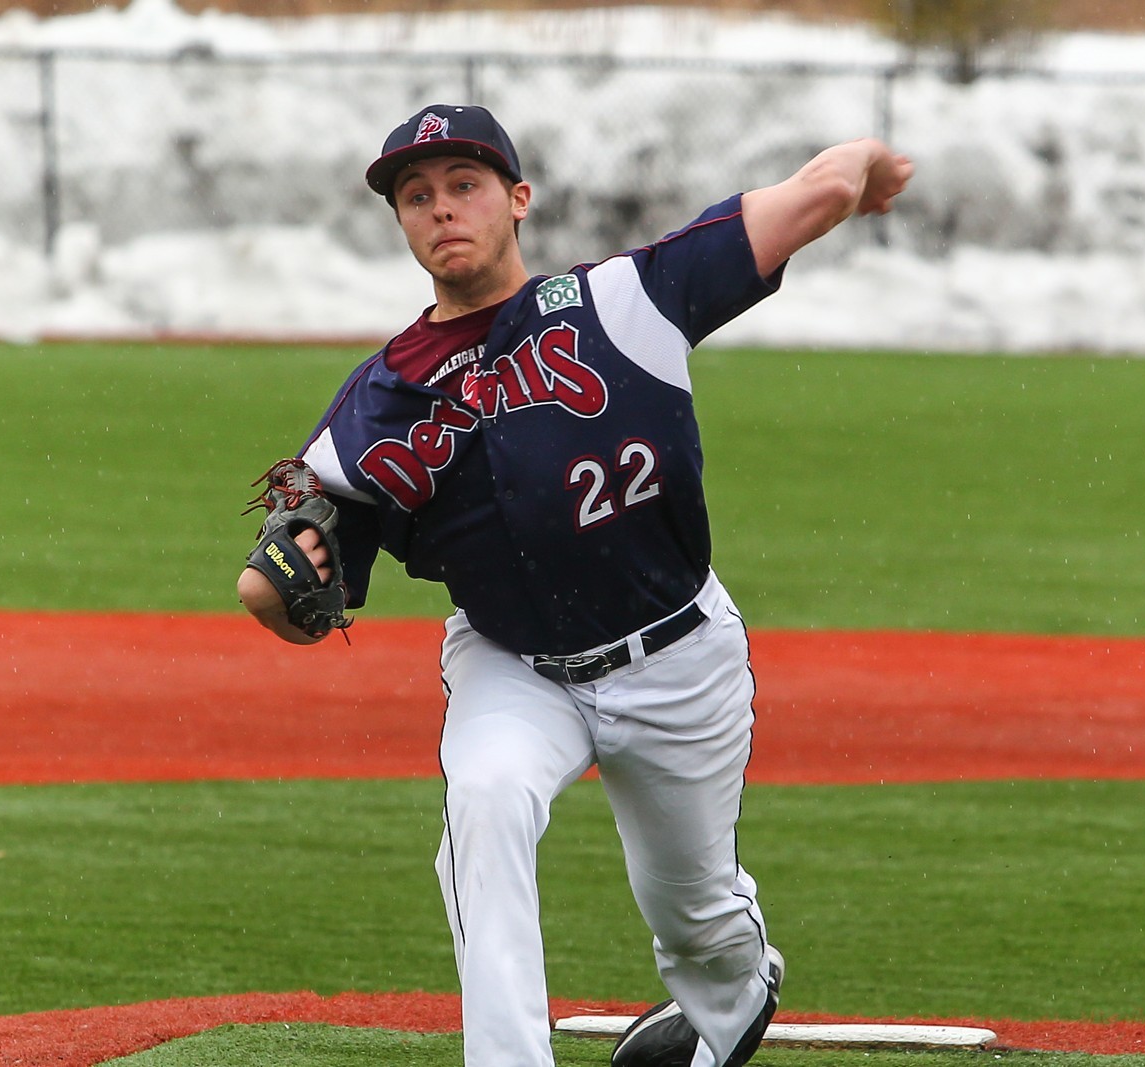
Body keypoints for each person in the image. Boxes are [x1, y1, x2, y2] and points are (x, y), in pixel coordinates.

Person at [238, 103, 913, 1067]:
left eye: (465, 186)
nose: (442, 210)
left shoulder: (623, 302)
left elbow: (812, 195)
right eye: (417, 196)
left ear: (518, 199)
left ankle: (734, 985)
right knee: (485, 796)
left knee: (697, 917)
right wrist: (279, 594)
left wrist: (863, 163)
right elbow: (297, 590)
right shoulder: (372, 408)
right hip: (515, 665)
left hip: (679, 655)